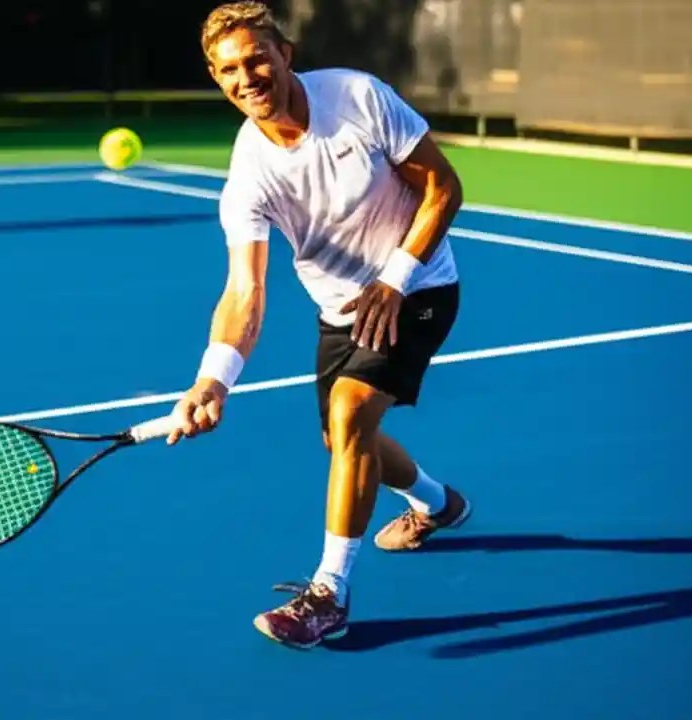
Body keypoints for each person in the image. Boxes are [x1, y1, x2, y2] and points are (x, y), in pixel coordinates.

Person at [165, 1, 472, 649]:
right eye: (228, 70)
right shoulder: (249, 174)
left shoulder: (358, 97)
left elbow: (443, 187)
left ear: (286, 55)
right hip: (340, 309)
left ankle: (328, 593)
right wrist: (212, 380)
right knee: (343, 441)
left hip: (420, 285)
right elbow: (244, 292)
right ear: (216, 79)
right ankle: (438, 503)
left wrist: (395, 277)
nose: (246, 77)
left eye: (257, 59)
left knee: (352, 409)